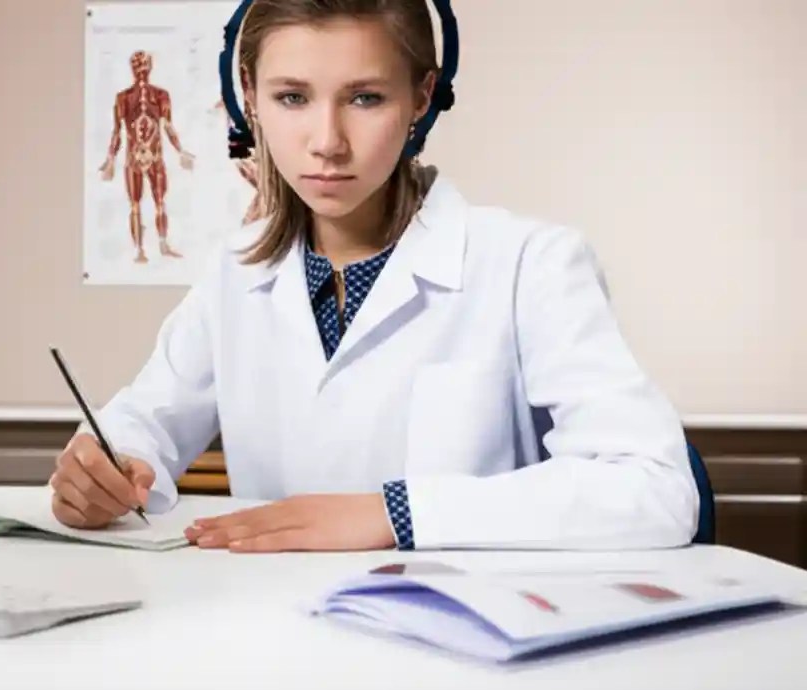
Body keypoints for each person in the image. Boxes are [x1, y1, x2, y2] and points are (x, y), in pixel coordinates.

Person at [51, 0, 698, 553]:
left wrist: (396, 514)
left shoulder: (531, 262)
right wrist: (107, 473)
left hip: (466, 644)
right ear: (249, 96)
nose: (327, 141)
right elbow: (144, 425)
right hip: (274, 634)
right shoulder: (236, 269)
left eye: (365, 98)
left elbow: (655, 487)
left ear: (420, 97)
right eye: (292, 98)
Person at [98, 50, 195, 263]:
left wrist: (180, 151)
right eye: (138, 66)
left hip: (152, 156)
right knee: (137, 204)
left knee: (158, 202)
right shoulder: (125, 97)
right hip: (137, 158)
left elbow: (167, 126)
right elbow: (117, 131)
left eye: (143, 66)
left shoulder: (159, 96)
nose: (141, 71)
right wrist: (111, 160)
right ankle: (140, 249)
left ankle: (159, 245)